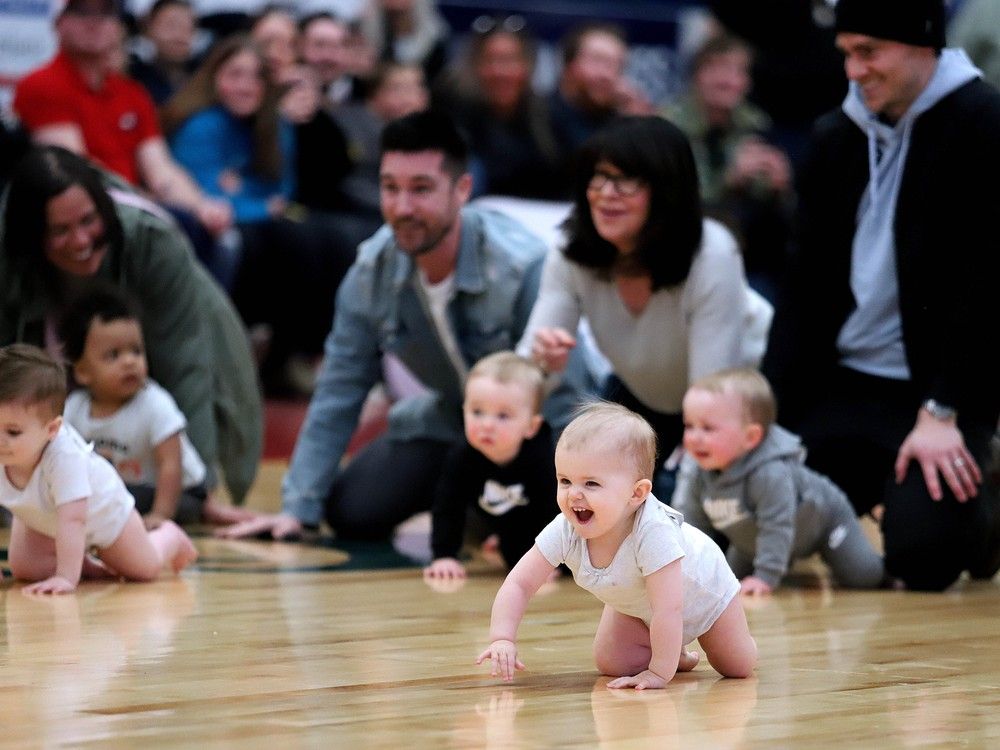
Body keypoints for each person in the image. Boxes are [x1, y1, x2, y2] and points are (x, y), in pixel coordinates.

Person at [217, 108, 583, 541]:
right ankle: (473, 500)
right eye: (391, 188)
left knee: (550, 534)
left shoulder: (523, 265)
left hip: (539, 433)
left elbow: (568, 402)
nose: (402, 207)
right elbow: (340, 386)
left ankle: (488, 505)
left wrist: (578, 488)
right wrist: (299, 507)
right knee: (353, 512)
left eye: (421, 189)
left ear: (462, 189)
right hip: (452, 421)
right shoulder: (371, 270)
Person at [762, 0, 1000, 591]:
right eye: (846, 52)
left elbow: (988, 285)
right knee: (745, 514)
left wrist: (945, 410)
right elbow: (802, 288)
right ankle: (881, 486)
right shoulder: (835, 135)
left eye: (869, 52)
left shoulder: (984, 122)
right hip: (842, 382)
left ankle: (988, 496)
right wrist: (762, 417)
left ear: (924, 45)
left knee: (924, 561)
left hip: (935, 394)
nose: (853, 70)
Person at [520, 115, 770, 499]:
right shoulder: (572, 250)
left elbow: (712, 398)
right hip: (645, 395)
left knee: (674, 514)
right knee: (576, 486)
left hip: (740, 404)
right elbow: (527, 375)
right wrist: (542, 363)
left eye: (626, 180)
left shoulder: (712, 253)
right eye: (598, 176)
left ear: (666, 189)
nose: (606, 192)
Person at [0, 146, 263, 506]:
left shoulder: (150, 241)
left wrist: (202, 493)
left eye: (88, 221)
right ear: (30, 236)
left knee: (184, 497)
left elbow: (186, 364)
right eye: (59, 231)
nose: (80, 241)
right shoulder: (8, 258)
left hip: (176, 331)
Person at [476, 402, 756, 689]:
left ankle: (678, 653)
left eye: (591, 484)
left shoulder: (653, 532)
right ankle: (675, 654)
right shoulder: (566, 529)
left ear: (637, 493)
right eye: (565, 480)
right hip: (639, 604)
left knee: (737, 666)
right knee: (612, 663)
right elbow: (520, 584)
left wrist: (659, 672)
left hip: (704, 594)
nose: (574, 494)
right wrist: (502, 637)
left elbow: (669, 610)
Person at [12, 0, 232, 241]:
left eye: (106, 13)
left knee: (221, 236)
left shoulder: (132, 93)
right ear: (58, 22)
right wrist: (148, 203)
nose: (94, 22)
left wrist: (201, 206)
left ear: (118, 26)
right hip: (83, 218)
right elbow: (74, 172)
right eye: (81, 11)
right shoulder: (41, 85)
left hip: (134, 210)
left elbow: (161, 170)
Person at [0, 344, 198, 594]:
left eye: (13, 432)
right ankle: (85, 564)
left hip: (103, 515)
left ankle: (169, 537)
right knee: (26, 569)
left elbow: (73, 520)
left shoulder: (64, 457)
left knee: (144, 569)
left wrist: (65, 577)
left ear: (52, 430)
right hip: (43, 517)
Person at [675, 368, 885, 594]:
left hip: (825, 523)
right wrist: (688, 573)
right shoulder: (698, 473)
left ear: (750, 437)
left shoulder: (770, 472)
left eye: (708, 428)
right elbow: (692, 528)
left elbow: (777, 525)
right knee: (725, 586)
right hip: (750, 543)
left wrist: (765, 577)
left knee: (865, 577)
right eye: (689, 426)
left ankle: (891, 571)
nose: (694, 438)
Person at [59, 287, 210, 528]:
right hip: (127, 488)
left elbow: (170, 465)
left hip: (180, 490)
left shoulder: (155, 403)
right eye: (113, 355)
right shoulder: (74, 409)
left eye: (136, 351)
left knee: (125, 500)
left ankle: (205, 509)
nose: (129, 361)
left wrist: (161, 515)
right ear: (82, 371)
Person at [661, 33, 793, 302]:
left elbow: (776, 219)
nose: (728, 80)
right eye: (717, 69)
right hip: (680, 257)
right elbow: (668, 207)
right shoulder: (667, 127)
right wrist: (729, 182)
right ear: (696, 76)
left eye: (738, 71)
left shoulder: (757, 126)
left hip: (747, 261)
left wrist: (782, 190)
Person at [424, 352, 556, 580]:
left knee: (517, 557)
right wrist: (444, 555)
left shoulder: (545, 460)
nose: (486, 425)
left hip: (541, 527)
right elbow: (447, 506)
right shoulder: (461, 456)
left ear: (531, 427)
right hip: (495, 520)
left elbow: (555, 516)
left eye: (503, 416)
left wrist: (551, 562)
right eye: (477, 412)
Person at [436, 15, 564, 200]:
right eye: (490, 60)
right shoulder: (453, 115)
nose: (499, 72)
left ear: (527, 65)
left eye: (509, 60)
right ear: (475, 66)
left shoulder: (550, 118)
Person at [127, 0, 202, 105]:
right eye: (171, 25)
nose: (179, 34)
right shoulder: (132, 77)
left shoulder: (205, 74)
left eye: (188, 26)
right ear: (148, 28)